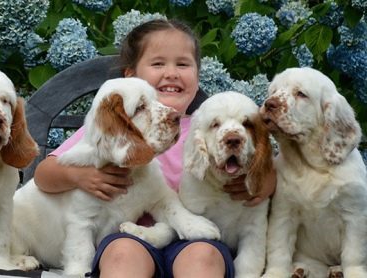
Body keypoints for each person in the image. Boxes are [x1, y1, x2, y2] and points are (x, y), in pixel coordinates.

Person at [33, 19, 277, 278]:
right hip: (130, 233)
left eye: (183, 64)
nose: (171, 73)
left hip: (195, 238)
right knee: (122, 254)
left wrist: (263, 183)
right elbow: (43, 176)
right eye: (158, 63)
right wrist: (79, 176)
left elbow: (266, 166)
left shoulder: (210, 128)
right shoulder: (111, 128)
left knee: (203, 258)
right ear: (131, 76)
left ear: (197, 74)